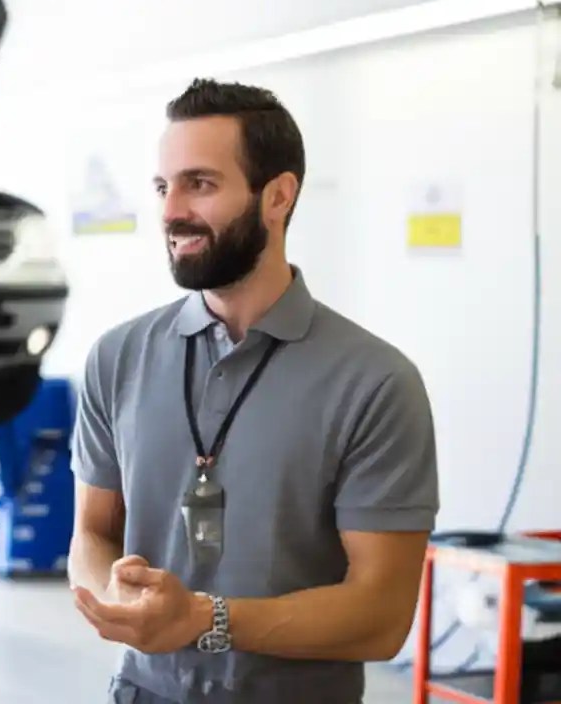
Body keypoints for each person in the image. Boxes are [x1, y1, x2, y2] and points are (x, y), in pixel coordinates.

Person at [66, 78, 439, 704]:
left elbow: (382, 616)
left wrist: (206, 620)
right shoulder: (118, 357)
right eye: (164, 186)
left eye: (200, 184)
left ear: (278, 197)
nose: (170, 211)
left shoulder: (374, 382)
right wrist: (117, 592)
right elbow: (92, 533)